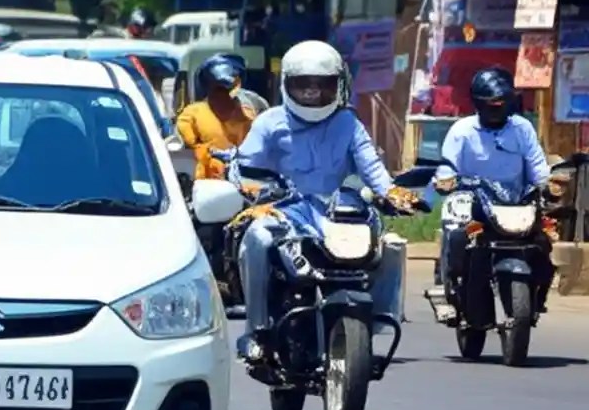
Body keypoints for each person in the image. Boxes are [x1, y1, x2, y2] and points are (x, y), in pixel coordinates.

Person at [231, 40, 422, 359]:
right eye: (303, 85)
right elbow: (244, 167)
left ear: (339, 85)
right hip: (282, 211)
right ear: (287, 84)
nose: (312, 93)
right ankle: (258, 330)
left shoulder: (348, 122)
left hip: (337, 212)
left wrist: (392, 193)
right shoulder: (269, 122)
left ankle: (374, 322)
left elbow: (372, 167)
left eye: (321, 85)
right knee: (257, 238)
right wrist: (252, 189)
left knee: (389, 243)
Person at [432, 67, 553, 307]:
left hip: (515, 205)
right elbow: (446, 168)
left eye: (501, 104)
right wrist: (446, 181)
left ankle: (538, 297)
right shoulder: (462, 131)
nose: (496, 110)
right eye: (491, 105)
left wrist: (548, 185)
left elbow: (538, 166)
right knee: (459, 237)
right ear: (478, 104)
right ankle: (453, 285)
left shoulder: (522, 128)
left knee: (542, 244)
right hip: (474, 210)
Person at [176, 54, 257, 180]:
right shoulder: (193, 114)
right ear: (208, 89)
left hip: (242, 181)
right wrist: (203, 151)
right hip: (205, 183)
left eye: (226, 90)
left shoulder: (247, 114)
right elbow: (183, 144)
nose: (222, 95)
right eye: (218, 89)